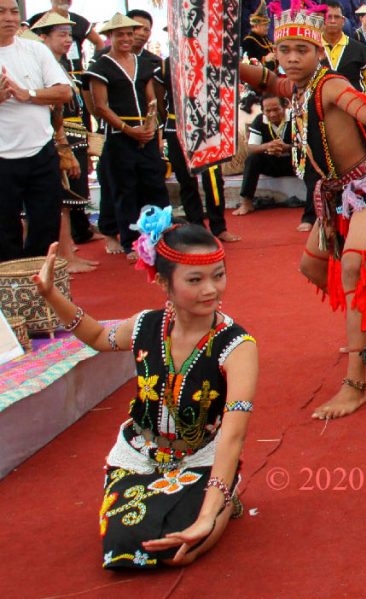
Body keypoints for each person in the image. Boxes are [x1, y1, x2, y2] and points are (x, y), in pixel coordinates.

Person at [238, 0, 366, 420]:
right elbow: (261, 79)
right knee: (312, 267)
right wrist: (219, 58)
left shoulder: (332, 85)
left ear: (319, 51)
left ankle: (357, 382)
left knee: (354, 267)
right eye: (284, 50)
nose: (291, 58)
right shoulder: (295, 89)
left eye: (301, 49)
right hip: (333, 198)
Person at [30, 221, 256, 567]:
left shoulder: (237, 345)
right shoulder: (145, 326)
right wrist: (50, 294)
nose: (211, 289)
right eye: (195, 280)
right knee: (126, 548)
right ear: (164, 282)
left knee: (180, 550)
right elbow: (96, 337)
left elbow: (234, 432)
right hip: (141, 453)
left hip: (200, 458)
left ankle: (225, 494)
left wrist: (209, 515)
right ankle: (200, 506)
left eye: (218, 275)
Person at [134, 10, 236, 244]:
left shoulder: (211, 60)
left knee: (213, 179)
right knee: (186, 179)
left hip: (208, 127)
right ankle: (197, 226)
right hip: (177, 127)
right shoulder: (163, 66)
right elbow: (159, 101)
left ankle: (219, 226)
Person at [84, 13, 170, 255]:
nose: (126, 38)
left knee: (155, 185)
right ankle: (130, 242)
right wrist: (128, 130)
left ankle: (160, 236)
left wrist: (150, 127)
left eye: (129, 34)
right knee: (125, 190)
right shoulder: (100, 66)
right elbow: (100, 106)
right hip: (119, 136)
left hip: (146, 134)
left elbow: (152, 98)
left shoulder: (144, 64)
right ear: (110, 37)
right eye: (120, 34)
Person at [0, 0, 74, 261]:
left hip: (41, 152)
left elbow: (64, 92)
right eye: (1, 12)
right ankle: (10, 293)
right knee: (4, 231)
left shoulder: (35, 50)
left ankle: (41, 287)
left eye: (13, 11)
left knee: (45, 225)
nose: (9, 18)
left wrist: (28, 94)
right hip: (3, 158)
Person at [32, 11, 97, 270]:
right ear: (43, 38)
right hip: (59, 138)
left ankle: (68, 252)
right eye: (61, 35)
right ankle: (62, 257)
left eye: (70, 35)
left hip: (73, 134)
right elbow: (54, 110)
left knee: (70, 200)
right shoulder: (41, 66)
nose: (68, 40)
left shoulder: (63, 66)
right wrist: (62, 147)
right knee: (61, 201)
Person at [233, 93, 315, 224]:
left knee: (308, 158)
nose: (272, 114)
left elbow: (307, 144)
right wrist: (268, 146)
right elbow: (251, 147)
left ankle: (312, 208)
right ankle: (247, 202)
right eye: (268, 111)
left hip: (293, 164)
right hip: (271, 163)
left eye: (276, 109)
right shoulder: (260, 120)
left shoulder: (296, 118)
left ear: (284, 107)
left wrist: (287, 147)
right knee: (253, 159)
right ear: (262, 111)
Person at [26, 0, 104, 74]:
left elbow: (99, 43)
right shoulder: (38, 20)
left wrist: (92, 67)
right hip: (48, 75)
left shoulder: (79, 21)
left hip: (77, 78)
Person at [320, 0, 366, 92]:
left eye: (336, 17)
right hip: (319, 104)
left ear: (343, 20)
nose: (332, 21)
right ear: (321, 19)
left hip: (354, 104)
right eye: (328, 17)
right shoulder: (312, 48)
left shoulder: (360, 50)